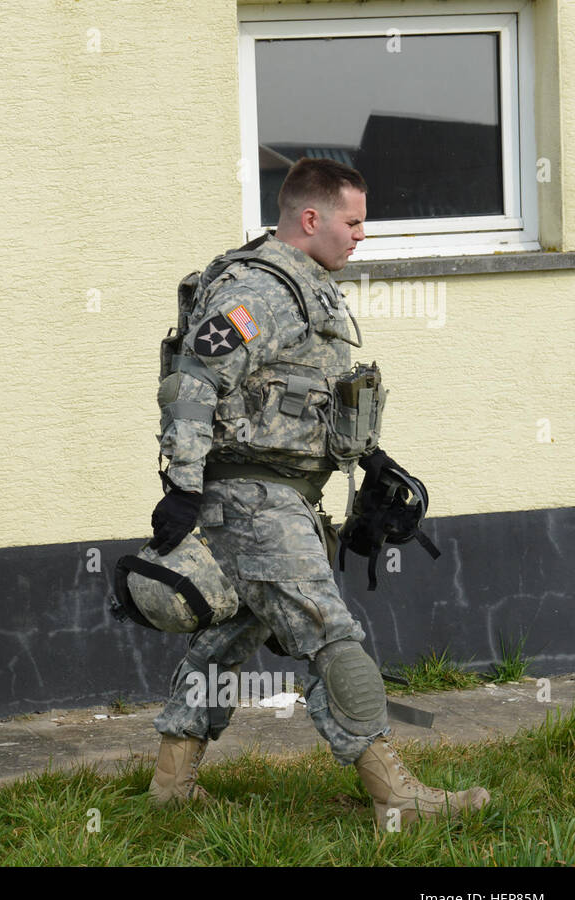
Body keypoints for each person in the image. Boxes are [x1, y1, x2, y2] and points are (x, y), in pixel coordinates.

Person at [148, 158, 489, 827]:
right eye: (353, 221)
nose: (362, 234)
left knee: (231, 635)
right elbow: (192, 382)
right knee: (330, 634)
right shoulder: (261, 290)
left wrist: (369, 456)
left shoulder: (309, 287)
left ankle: (172, 780)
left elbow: (308, 396)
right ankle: (397, 793)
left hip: (284, 493)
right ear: (312, 218)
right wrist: (182, 487)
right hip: (253, 501)